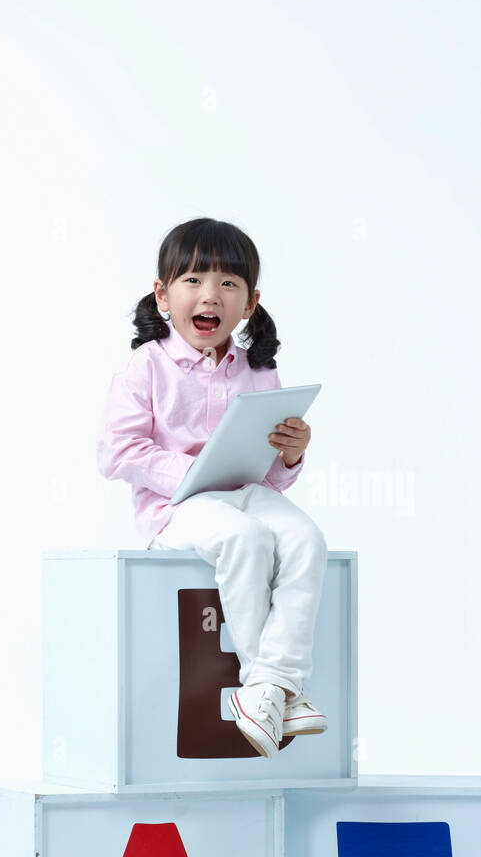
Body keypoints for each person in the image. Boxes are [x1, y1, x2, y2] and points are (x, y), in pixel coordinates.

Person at [96, 216, 328, 760]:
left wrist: (291, 452)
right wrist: (191, 476)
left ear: (249, 303)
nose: (211, 295)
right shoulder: (145, 367)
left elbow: (269, 477)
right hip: (176, 508)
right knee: (244, 539)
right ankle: (264, 687)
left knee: (305, 538)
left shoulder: (259, 371)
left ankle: (277, 686)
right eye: (195, 280)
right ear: (162, 294)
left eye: (229, 284)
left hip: (244, 492)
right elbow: (116, 452)